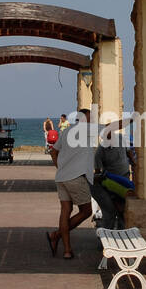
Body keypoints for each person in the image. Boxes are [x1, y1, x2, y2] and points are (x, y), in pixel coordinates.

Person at [47, 108, 95, 259]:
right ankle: (57, 235)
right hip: (75, 177)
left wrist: (60, 167)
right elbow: (110, 127)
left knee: (65, 210)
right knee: (86, 211)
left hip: (62, 177)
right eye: (89, 118)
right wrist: (134, 119)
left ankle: (67, 250)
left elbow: (53, 152)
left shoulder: (66, 131)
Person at [93, 117, 132, 230]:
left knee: (124, 210)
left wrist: (134, 162)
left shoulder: (120, 138)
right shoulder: (100, 151)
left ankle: (122, 232)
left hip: (125, 177)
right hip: (112, 184)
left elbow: (128, 152)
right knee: (111, 212)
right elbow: (98, 172)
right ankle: (107, 235)